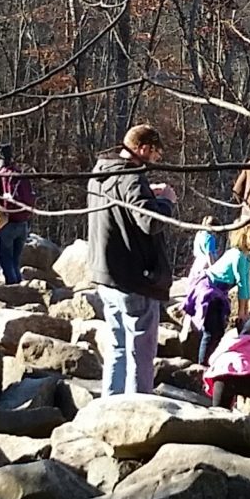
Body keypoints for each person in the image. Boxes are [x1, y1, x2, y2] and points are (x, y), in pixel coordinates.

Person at [85, 124, 176, 396]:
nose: (156, 160)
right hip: (133, 279)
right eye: (156, 154)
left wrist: (150, 192)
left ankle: (110, 405)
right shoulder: (131, 177)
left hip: (105, 275)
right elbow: (150, 221)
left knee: (117, 348)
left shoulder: (100, 172)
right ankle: (138, 412)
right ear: (143, 149)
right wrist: (167, 202)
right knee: (141, 353)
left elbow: (125, 207)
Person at [183, 228, 250, 364]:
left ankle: (209, 363)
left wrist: (245, 311)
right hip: (208, 291)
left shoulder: (246, 257)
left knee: (218, 331)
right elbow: (241, 284)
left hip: (218, 292)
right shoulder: (237, 256)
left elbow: (246, 284)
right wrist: (241, 312)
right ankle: (202, 366)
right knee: (212, 331)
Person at [0, 144, 38, 283]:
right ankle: (20, 289)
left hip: (6, 225)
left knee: (6, 260)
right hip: (23, 224)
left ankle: (13, 291)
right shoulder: (20, 174)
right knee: (15, 261)